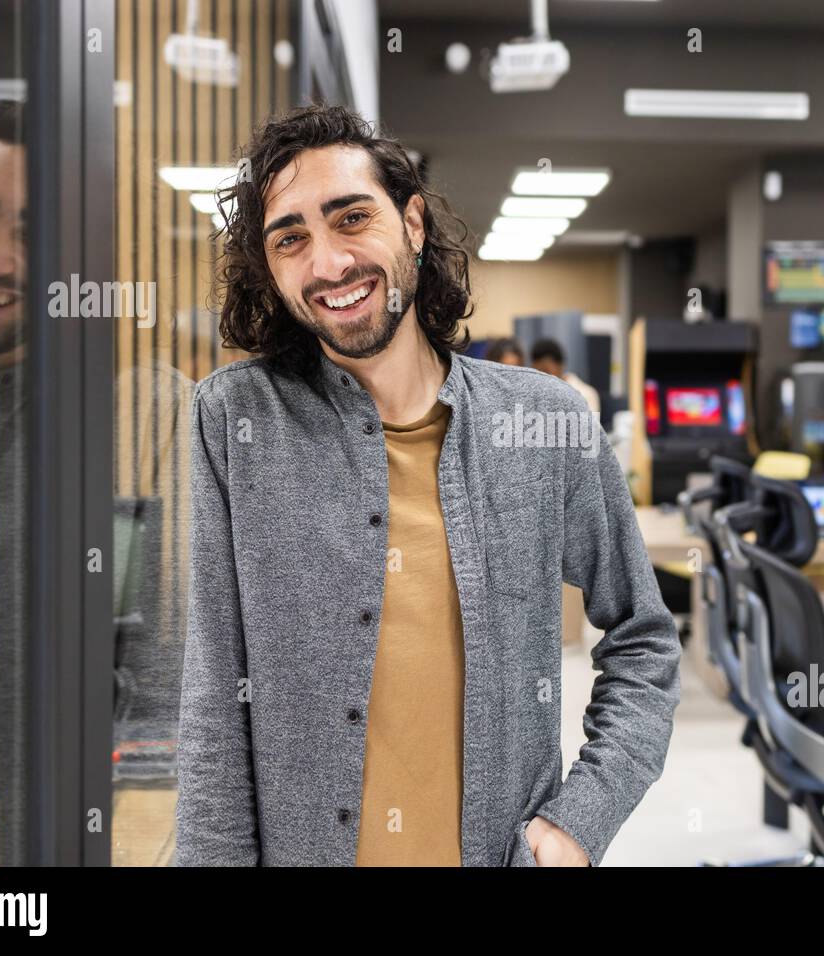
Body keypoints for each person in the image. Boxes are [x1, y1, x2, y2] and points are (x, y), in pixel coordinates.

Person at [175, 104, 681, 867]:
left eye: (351, 218)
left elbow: (643, 640)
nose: (328, 263)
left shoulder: (544, 423)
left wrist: (581, 820)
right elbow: (216, 694)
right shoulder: (236, 420)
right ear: (271, 269)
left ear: (412, 222)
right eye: (291, 239)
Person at [530, 337, 601, 415]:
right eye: (537, 373)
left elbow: (589, 425)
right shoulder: (533, 394)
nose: (542, 377)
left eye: (546, 371)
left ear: (561, 367)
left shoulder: (586, 394)